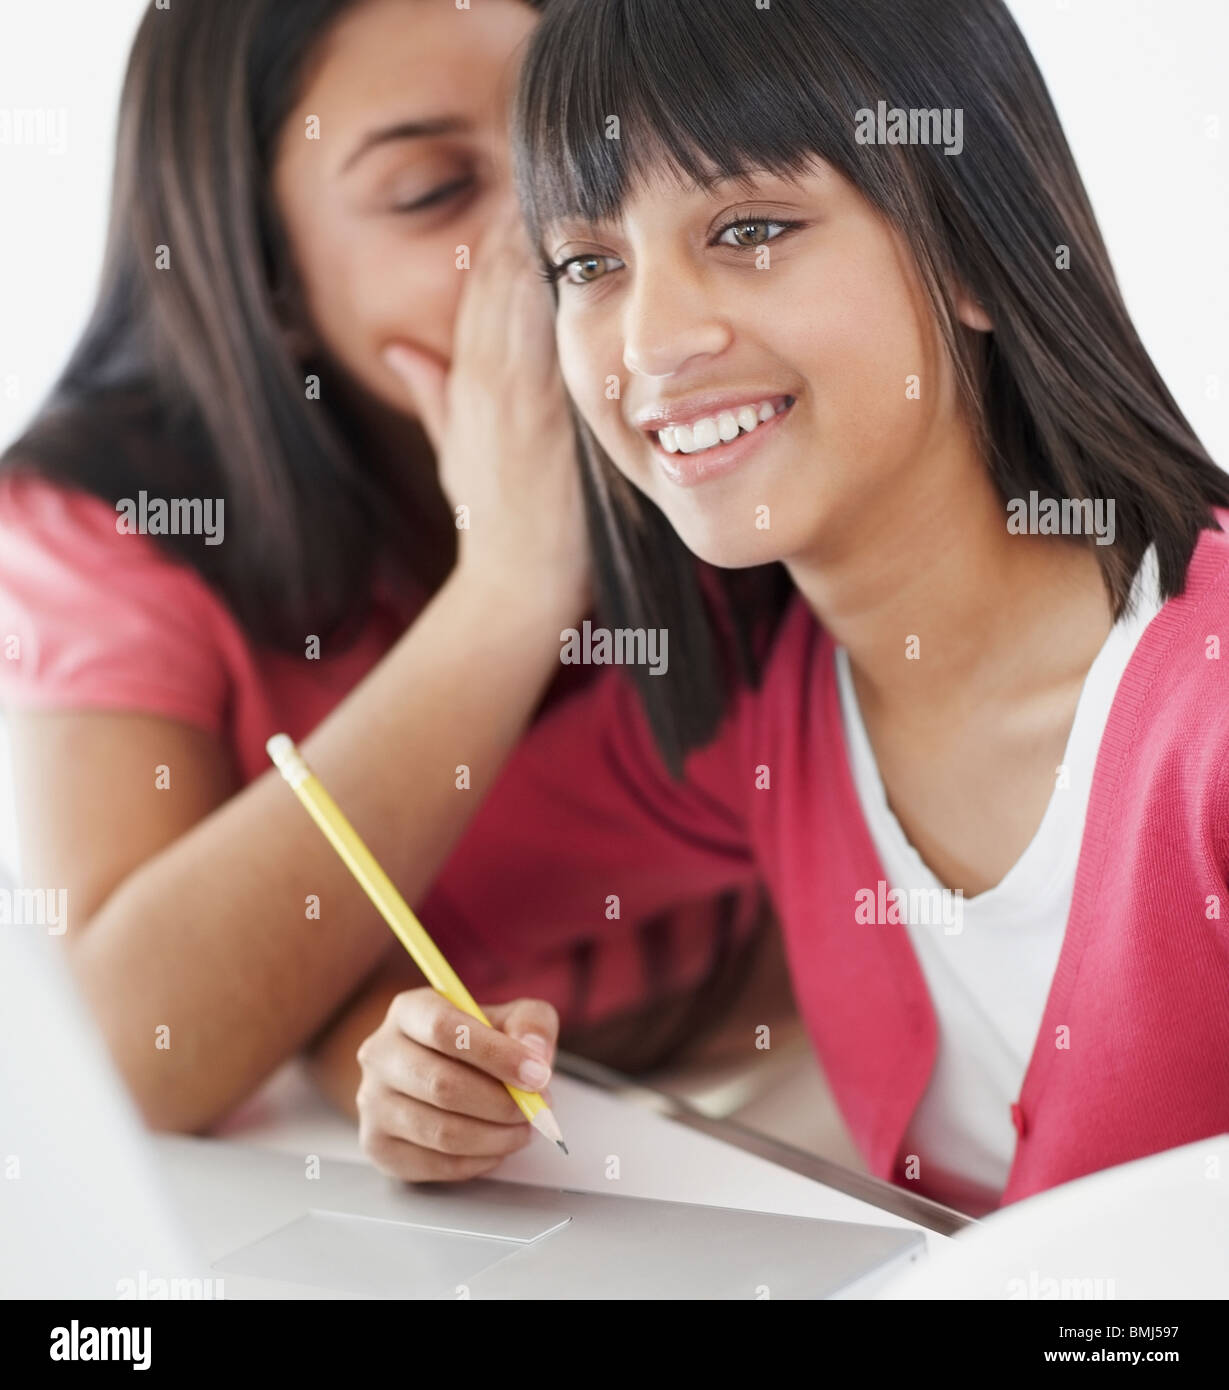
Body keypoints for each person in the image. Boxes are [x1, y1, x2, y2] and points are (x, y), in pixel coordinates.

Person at [356, 0, 1229, 1215]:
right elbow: (352, 932)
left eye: (750, 227)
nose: (652, 340)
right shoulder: (760, 703)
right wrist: (432, 1073)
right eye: (588, 266)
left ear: (977, 251)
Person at [0, 0, 771, 1178]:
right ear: (265, 281)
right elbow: (130, 1045)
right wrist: (511, 584)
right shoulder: (110, 515)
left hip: (773, 1115)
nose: (545, 232)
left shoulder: (712, 388)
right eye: (430, 193)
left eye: (562, 142)